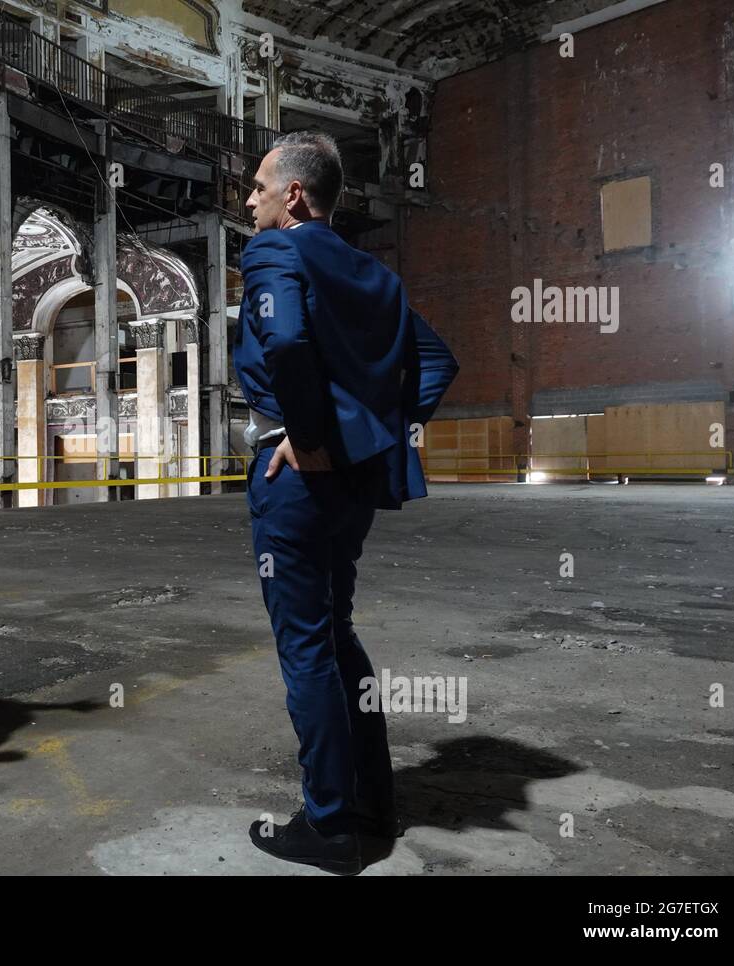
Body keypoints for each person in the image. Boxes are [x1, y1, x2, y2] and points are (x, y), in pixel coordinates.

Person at [235, 130, 459, 874]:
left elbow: (290, 345)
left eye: (259, 188)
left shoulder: (275, 252)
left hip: (295, 479)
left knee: (305, 649)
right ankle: (371, 802)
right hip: (354, 485)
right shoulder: (375, 274)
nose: (249, 200)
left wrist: (309, 434)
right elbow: (436, 360)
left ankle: (329, 826)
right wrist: (377, 435)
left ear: (294, 195)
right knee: (337, 637)